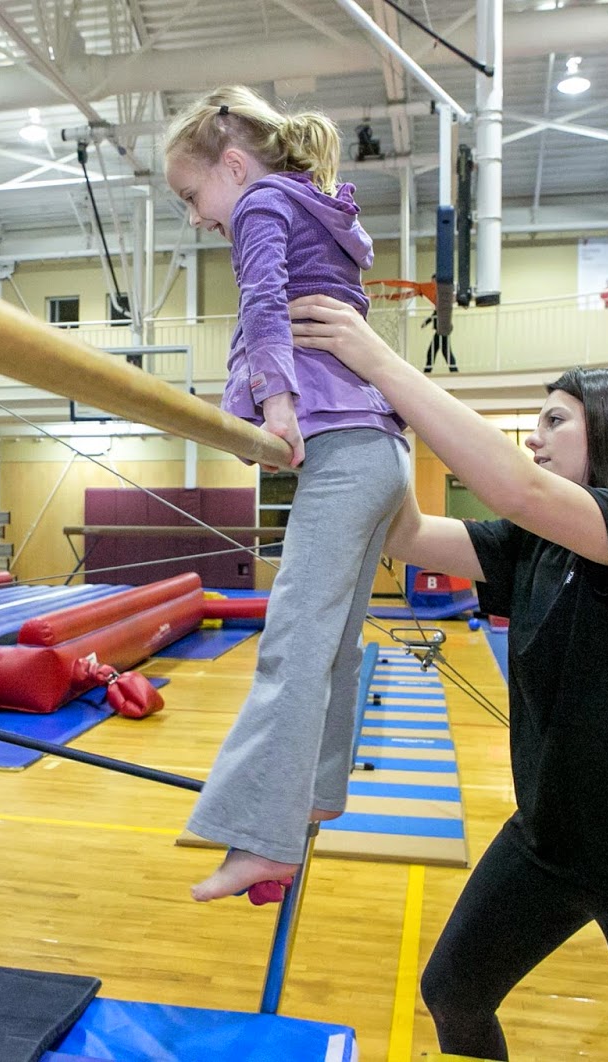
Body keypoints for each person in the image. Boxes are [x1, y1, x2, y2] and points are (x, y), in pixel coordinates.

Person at [288, 292, 608, 1062]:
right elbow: (405, 532)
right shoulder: (535, 546)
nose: (534, 441)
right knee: (452, 992)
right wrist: (339, 429)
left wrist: (377, 359)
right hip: (550, 840)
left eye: (554, 422)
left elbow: (519, 488)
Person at [162, 85, 410, 902]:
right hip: (381, 449)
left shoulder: (265, 200)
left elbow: (264, 300)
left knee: (294, 641)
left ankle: (261, 836)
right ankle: (308, 800)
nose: (197, 217)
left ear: (232, 165)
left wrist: (277, 403)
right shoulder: (319, 204)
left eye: (194, 196)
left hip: (340, 444)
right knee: (331, 643)